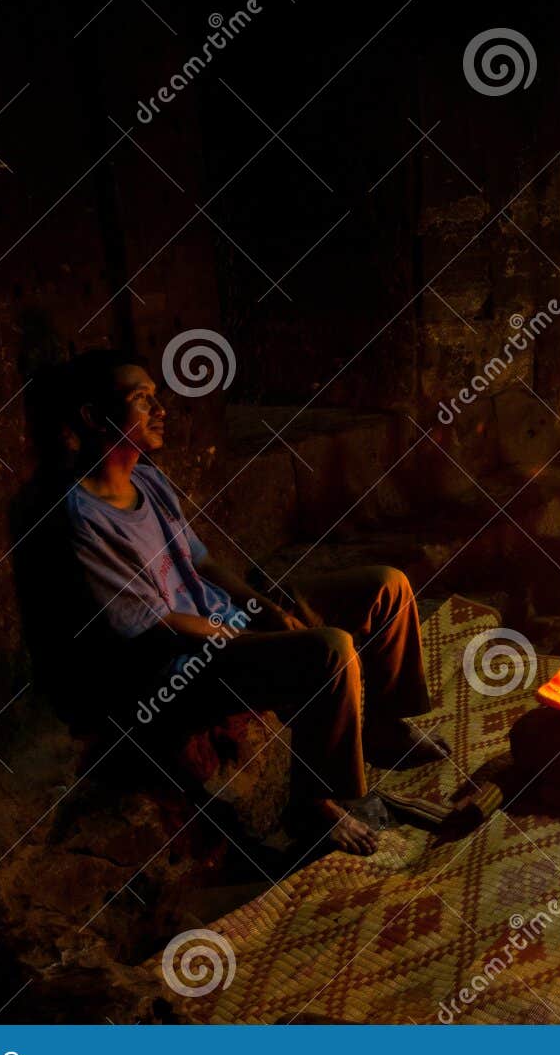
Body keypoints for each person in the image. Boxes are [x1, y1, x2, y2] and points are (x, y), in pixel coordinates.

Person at [58, 350, 444, 855]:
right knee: (331, 650)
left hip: (229, 623)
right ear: (93, 418)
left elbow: (203, 563)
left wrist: (265, 607)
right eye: (141, 399)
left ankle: (386, 729)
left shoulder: (147, 482)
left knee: (386, 584)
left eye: (156, 396)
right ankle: (315, 804)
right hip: (183, 666)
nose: (160, 409)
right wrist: (247, 637)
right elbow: (152, 624)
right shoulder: (85, 517)